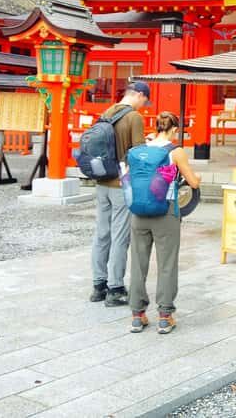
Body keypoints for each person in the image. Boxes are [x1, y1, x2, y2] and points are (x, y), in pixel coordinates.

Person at [129, 112, 202, 334]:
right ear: (174, 130)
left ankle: (137, 316)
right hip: (165, 212)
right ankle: (165, 316)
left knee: (138, 264)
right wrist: (197, 178)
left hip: (138, 212)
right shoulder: (175, 151)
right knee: (167, 264)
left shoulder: (139, 150)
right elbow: (192, 182)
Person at [90, 81, 150, 307]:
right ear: (140, 95)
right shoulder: (134, 117)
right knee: (120, 235)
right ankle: (115, 288)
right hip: (120, 184)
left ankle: (98, 285)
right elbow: (138, 153)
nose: (144, 105)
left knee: (101, 233)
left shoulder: (107, 112)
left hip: (101, 181)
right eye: (144, 100)